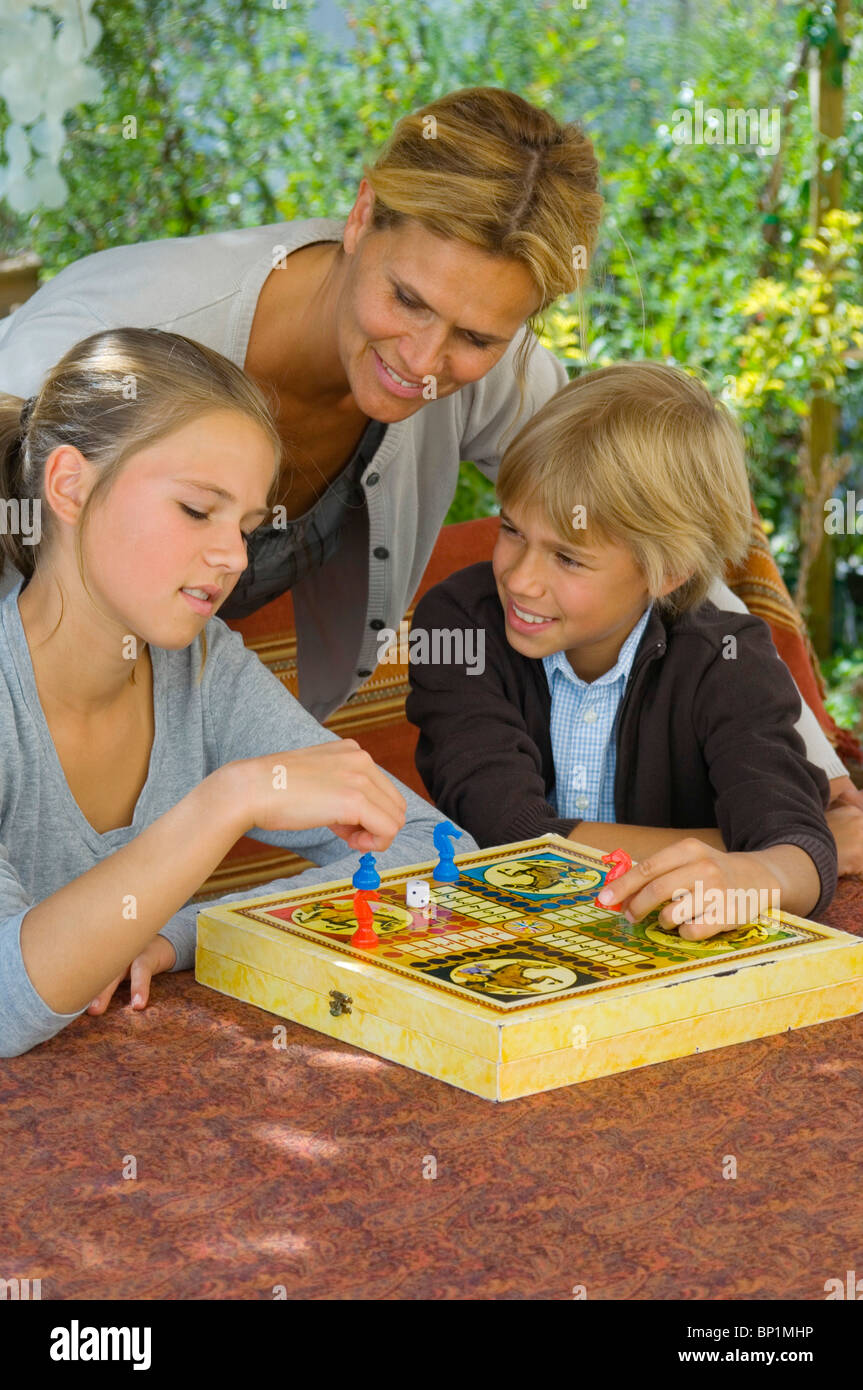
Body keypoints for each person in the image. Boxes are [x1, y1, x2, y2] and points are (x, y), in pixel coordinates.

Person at [0, 87, 857, 817]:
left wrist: (810, 774)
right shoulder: (106, 341)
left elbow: (644, 514)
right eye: (405, 297)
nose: (420, 362)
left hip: (224, 744)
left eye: (476, 336)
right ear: (363, 211)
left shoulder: (492, 374)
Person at [0, 327, 475, 1058]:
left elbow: (431, 847)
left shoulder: (202, 668)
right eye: (197, 509)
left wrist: (175, 934)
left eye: (248, 526)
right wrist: (229, 801)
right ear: (70, 485)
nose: (231, 556)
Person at [406, 362, 844, 936]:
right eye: (512, 530)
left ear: (667, 572)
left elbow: (798, 849)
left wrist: (760, 865)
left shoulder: (730, 660)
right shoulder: (459, 626)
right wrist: (728, 851)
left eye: (567, 557)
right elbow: (507, 835)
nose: (519, 580)